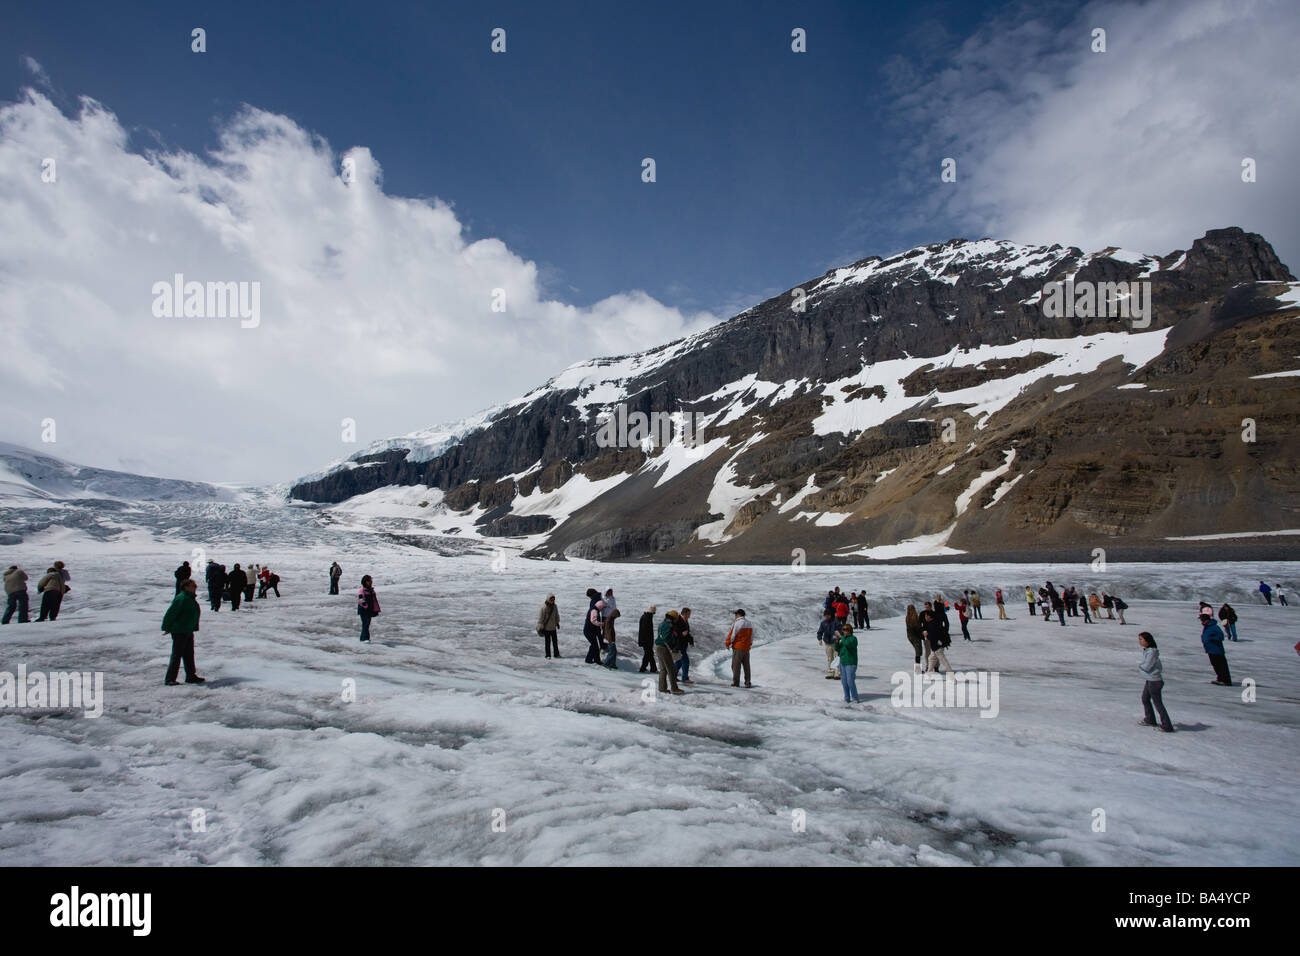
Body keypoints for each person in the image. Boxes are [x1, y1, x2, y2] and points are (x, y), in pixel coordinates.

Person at [161, 578, 205, 685]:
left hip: (187, 629)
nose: (195, 587)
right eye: (193, 586)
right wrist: (167, 627)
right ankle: (170, 679)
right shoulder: (182, 598)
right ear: (186, 587)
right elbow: (171, 613)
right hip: (180, 630)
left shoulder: (189, 598)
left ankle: (191, 676)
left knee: (189, 654)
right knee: (177, 655)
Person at [1137, 632, 1174, 732]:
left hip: (1154, 681)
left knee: (1158, 703)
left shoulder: (1152, 652)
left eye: (1141, 639)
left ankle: (1167, 725)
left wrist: (1140, 666)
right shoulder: (1148, 651)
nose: (1139, 641)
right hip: (1150, 680)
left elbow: (1147, 666)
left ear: (1147, 641)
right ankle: (1150, 719)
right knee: (1145, 699)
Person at [654, 611, 684, 694]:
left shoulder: (662, 623)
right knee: (671, 669)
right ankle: (674, 688)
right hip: (664, 648)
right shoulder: (668, 625)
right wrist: (675, 637)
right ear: (673, 618)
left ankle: (662, 688)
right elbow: (666, 637)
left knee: (663, 669)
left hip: (659, 647)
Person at [1200, 612, 1231, 685]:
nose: (1202, 622)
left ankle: (1225, 680)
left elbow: (1221, 637)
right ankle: (1220, 679)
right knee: (1216, 665)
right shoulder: (1207, 627)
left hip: (1217, 650)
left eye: (1203, 620)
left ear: (1207, 620)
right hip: (1210, 650)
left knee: (1221, 666)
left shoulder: (1214, 627)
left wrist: (1211, 638)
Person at [725, 609, 754, 688]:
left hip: (738, 647)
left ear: (738, 615)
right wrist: (749, 644)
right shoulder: (749, 623)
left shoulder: (737, 623)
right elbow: (752, 636)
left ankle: (736, 682)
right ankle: (748, 682)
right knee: (746, 666)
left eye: (736, 614)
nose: (735, 616)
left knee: (735, 666)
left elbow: (732, 635)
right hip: (746, 648)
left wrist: (728, 643)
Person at [921, 605, 953, 676]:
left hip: (937, 646)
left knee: (944, 662)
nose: (925, 617)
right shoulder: (934, 622)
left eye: (926, 616)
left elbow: (933, 637)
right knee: (931, 659)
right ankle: (928, 675)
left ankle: (952, 676)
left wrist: (927, 635)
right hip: (936, 646)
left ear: (929, 617)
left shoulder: (933, 624)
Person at [833, 623, 860, 704]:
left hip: (851, 663)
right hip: (843, 662)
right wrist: (837, 641)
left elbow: (848, 645)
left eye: (846, 629)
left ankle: (855, 697)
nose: (844, 631)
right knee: (844, 681)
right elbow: (837, 649)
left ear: (850, 631)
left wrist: (841, 638)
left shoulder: (853, 639)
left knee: (850, 680)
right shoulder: (843, 639)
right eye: (843, 629)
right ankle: (847, 697)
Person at [674, 608, 695, 685]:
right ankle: (685, 678)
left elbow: (687, 632)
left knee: (679, 661)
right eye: (689, 614)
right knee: (685, 661)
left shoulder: (685, 620)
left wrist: (691, 641)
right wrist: (681, 634)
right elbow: (675, 631)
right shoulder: (679, 620)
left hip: (683, 644)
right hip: (679, 644)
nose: (690, 616)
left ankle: (673, 676)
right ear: (685, 613)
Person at [357, 575, 380, 643]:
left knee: (367, 624)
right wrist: (366, 606)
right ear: (365, 581)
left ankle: (363, 638)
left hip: (369, 610)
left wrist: (375, 609)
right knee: (365, 624)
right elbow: (361, 599)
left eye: (371, 580)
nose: (370, 582)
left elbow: (374, 600)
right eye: (369, 581)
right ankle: (365, 639)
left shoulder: (371, 590)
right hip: (363, 610)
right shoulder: (362, 590)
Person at [537, 593, 560, 659]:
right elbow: (540, 618)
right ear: (548, 599)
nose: (553, 601)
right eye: (551, 599)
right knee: (547, 642)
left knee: (555, 642)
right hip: (546, 628)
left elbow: (557, 615)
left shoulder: (555, 606)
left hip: (553, 627)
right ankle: (548, 655)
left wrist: (557, 623)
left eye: (553, 599)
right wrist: (540, 626)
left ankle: (556, 654)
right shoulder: (544, 607)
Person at [583, 591, 604, 664]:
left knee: (594, 645)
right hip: (588, 630)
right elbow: (593, 621)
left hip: (591, 629)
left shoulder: (595, 605)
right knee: (594, 645)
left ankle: (595, 660)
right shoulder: (594, 610)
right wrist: (601, 624)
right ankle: (589, 660)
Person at [817, 610, 839, 679]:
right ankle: (830, 672)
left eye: (828, 615)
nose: (826, 616)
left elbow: (840, 630)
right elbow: (820, 632)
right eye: (825, 615)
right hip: (827, 643)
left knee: (837, 658)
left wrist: (838, 637)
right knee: (830, 658)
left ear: (831, 615)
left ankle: (838, 673)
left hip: (836, 642)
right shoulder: (823, 623)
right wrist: (820, 639)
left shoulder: (836, 622)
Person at [904, 604, 925, 674]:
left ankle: (917, 668)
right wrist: (922, 634)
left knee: (917, 652)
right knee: (918, 652)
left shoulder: (907, 617)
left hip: (910, 636)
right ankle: (918, 669)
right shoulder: (914, 617)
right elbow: (917, 628)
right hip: (915, 636)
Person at [638, 606, 658, 673]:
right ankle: (653, 668)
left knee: (647, 654)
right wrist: (647, 642)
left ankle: (643, 668)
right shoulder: (647, 618)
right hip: (646, 641)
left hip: (645, 640)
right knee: (649, 654)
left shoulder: (646, 616)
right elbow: (645, 631)